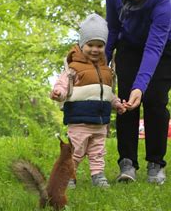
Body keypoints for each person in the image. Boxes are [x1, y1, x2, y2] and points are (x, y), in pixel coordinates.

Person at [105, 0, 171, 185]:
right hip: (129, 43)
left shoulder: (161, 0)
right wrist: (98, 67)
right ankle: (127, 162)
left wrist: (142, 85)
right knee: (126, 99)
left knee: (154, 98)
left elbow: (154, 47)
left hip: (165, 47)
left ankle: (155, 163)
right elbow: (112, 31)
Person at [50, 13, 126, 188]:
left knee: (98, 151)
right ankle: (69, 176)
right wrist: (58, 93)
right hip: (79, 121)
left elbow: (107, 93)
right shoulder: (74, 68)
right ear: (82, 44)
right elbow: (63, 85)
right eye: (90, 45)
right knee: (76, 151)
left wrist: (116, 104)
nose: (94, 49)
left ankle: (98, 175)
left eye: (99, 46)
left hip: (101, 123)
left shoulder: (106, 70)